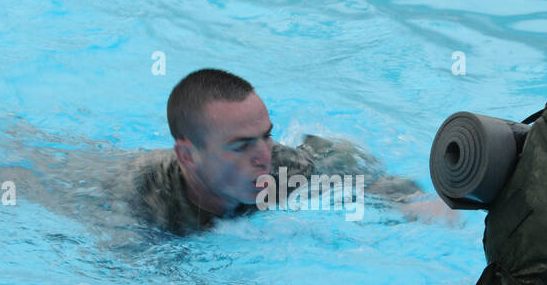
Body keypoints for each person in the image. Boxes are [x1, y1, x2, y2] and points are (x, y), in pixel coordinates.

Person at [130, 68, 456, 235]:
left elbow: (344, 164)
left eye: (266, 137)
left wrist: (408, 202)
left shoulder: (277, 168)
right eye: (241, 145)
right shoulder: (143, 208)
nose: (263, 156)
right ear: (188, 156)